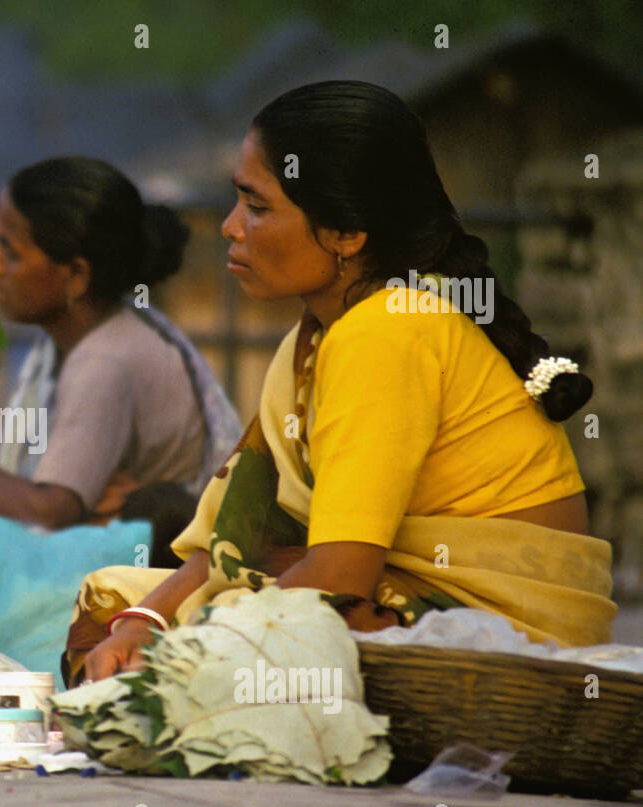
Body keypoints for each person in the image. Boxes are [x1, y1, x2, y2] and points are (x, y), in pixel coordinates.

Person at [72, 80, 616, 685]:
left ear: (346, 233)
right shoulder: (317, 337)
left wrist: (181, 653)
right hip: (385, 590)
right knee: (116, 600)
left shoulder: (386, 330)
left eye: (257, 206)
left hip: (491, 632)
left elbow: (340, 578)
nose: (230, 228)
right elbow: (233, 543)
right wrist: (144, 622)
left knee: (230, 632)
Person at [0, 156, 241, 529]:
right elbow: (12, 512)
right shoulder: (69, 344)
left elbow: (45, 516)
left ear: (75, 275)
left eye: (10, 251)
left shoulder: (104, 361)